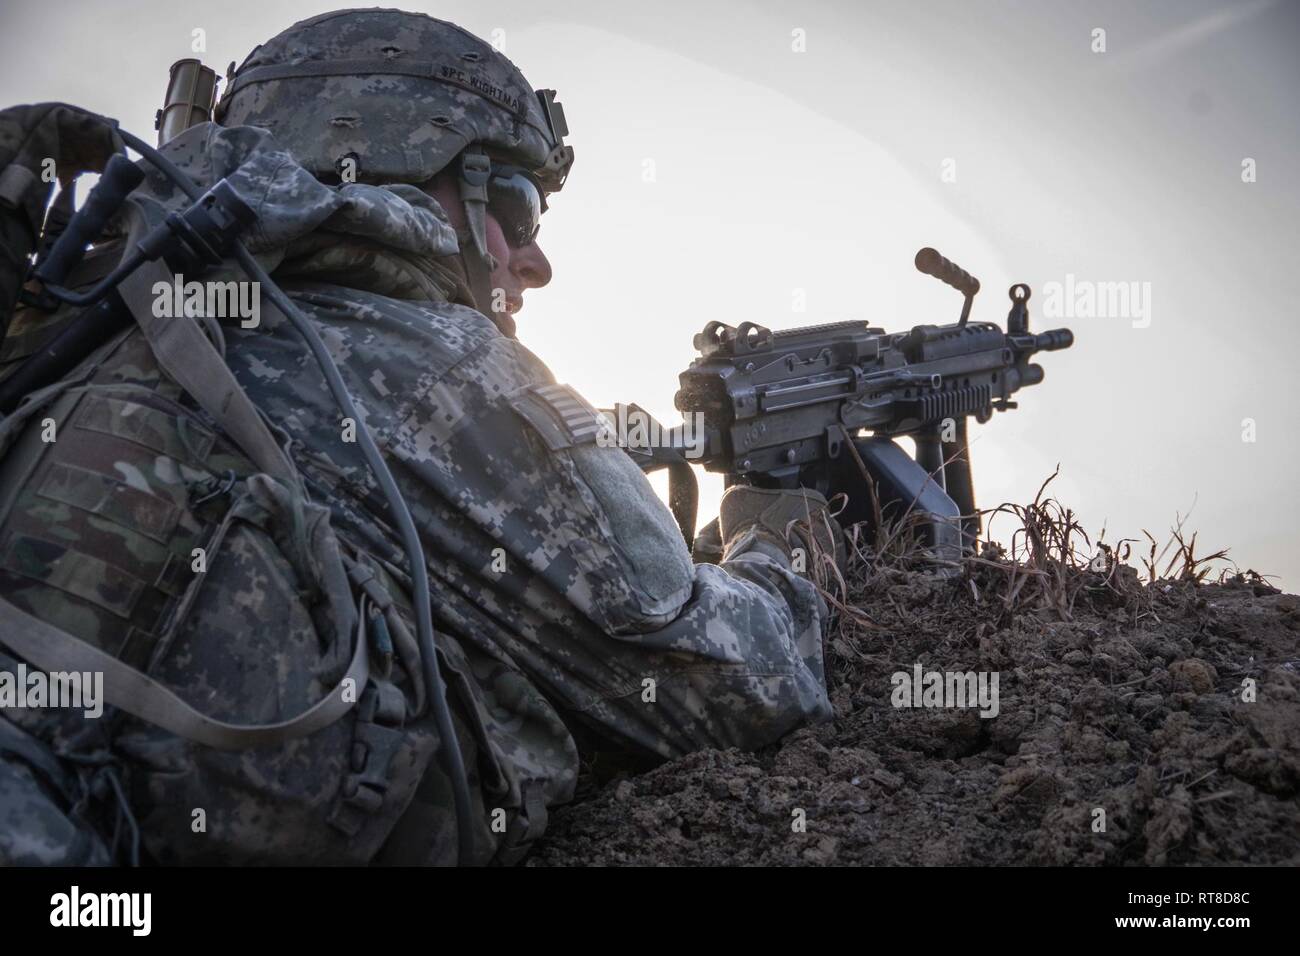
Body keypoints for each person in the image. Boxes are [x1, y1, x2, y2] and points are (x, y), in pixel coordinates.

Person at [0, 8, 836, 866]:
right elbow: (734, 687)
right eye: (516, 205)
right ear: (407, 161)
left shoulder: (82, 319)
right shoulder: (438, 371)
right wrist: (773, 546)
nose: (534, 259)